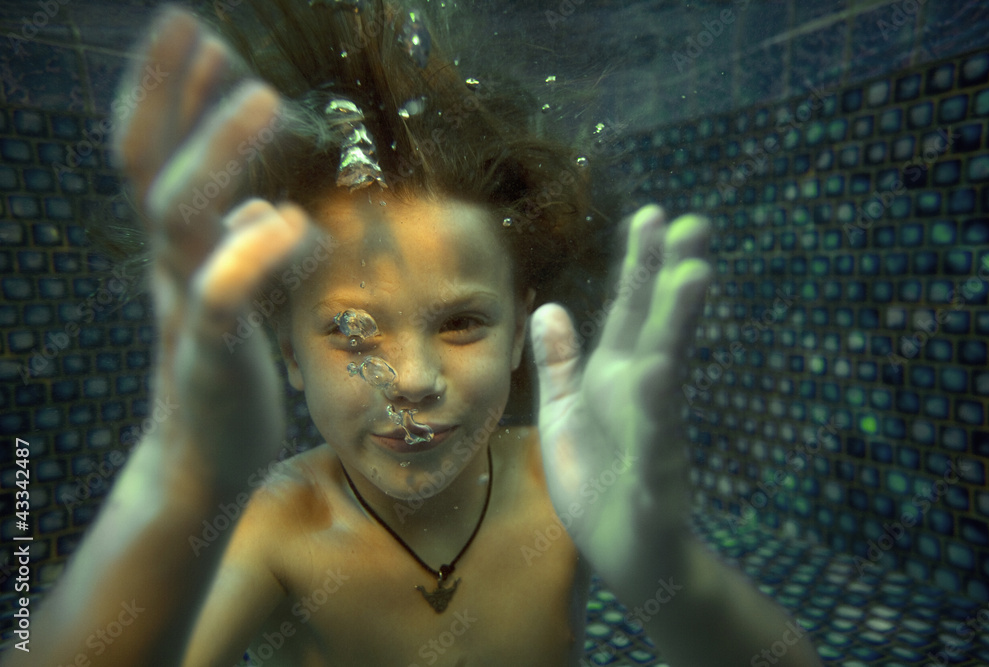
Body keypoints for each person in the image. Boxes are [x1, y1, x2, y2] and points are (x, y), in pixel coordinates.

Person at [3, 1, 822, 666]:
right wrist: (173, 486)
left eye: (462, 322)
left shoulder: (572, 483)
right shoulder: (279, 528)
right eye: (353, 331)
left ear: (518, 331)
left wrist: (663, 567)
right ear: (289, 354)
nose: (414, 379)